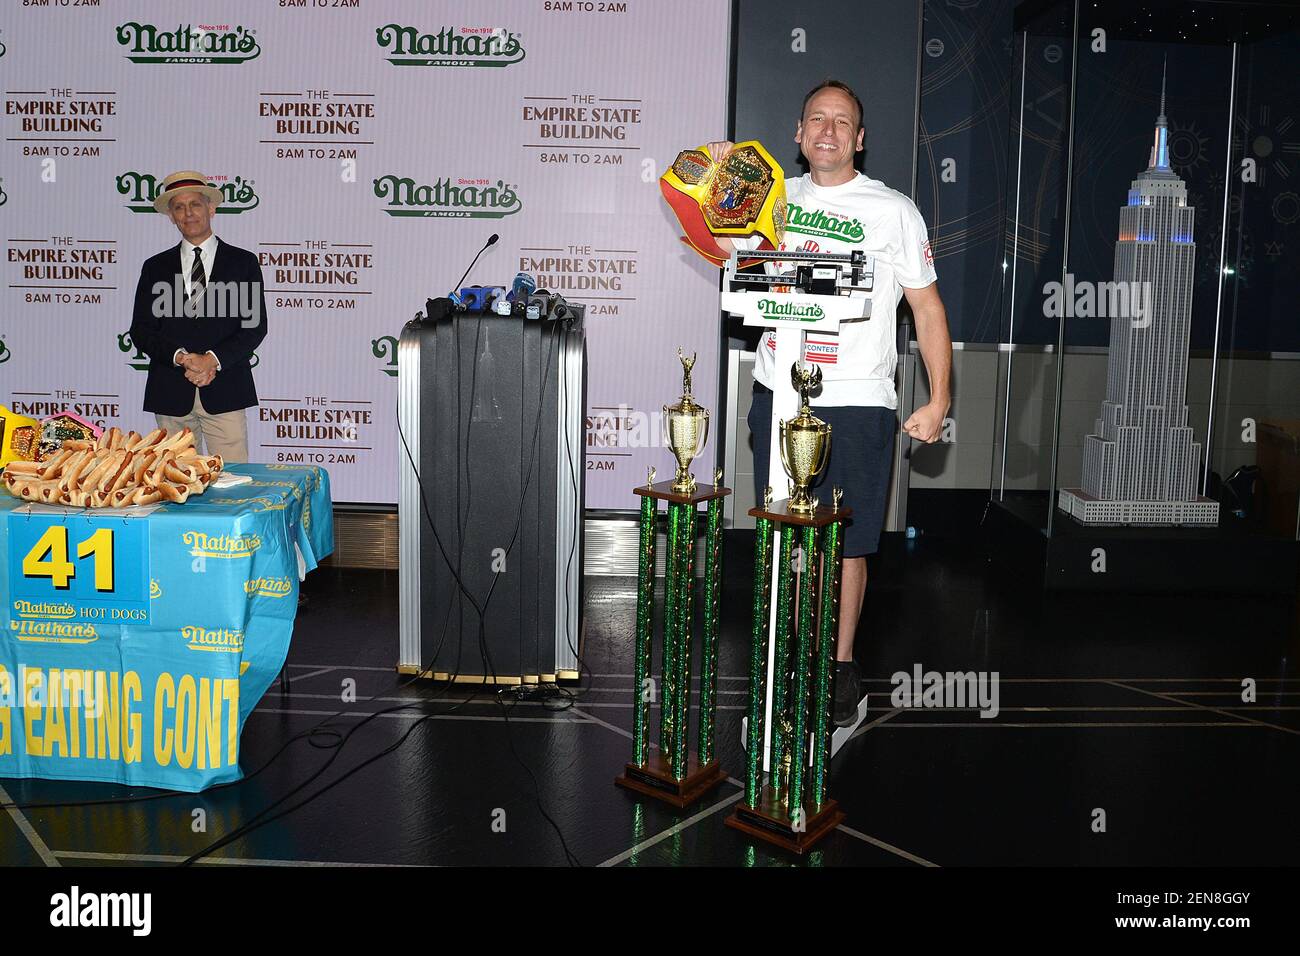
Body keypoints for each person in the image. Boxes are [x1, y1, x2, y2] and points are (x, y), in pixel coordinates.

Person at [707, 79, 952, 726]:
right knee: (785, 535)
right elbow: (718, 250)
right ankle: (788, 656)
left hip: (860, 400)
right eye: (817, 118)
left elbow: (927, 308)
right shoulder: (770, 201)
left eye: (842, 122)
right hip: (781, 395)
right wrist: (719, 181)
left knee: (847, 544)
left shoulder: (892, 210)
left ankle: (840, 664)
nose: (828, 130)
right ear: (797, 132)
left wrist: (940, 397)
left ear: (860, 139)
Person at [127, 170, 268, 463]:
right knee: (173, 482)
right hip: (170, 390)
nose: (188, 213)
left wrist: (211, 360)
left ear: (211, 208)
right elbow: (141, 330)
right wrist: (180, 357)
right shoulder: (155, 267)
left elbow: (254, 327)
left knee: (233, 483)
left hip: (226, 388)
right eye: (179, 207)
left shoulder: (243, 263)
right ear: (171, 216)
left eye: (195, 204)